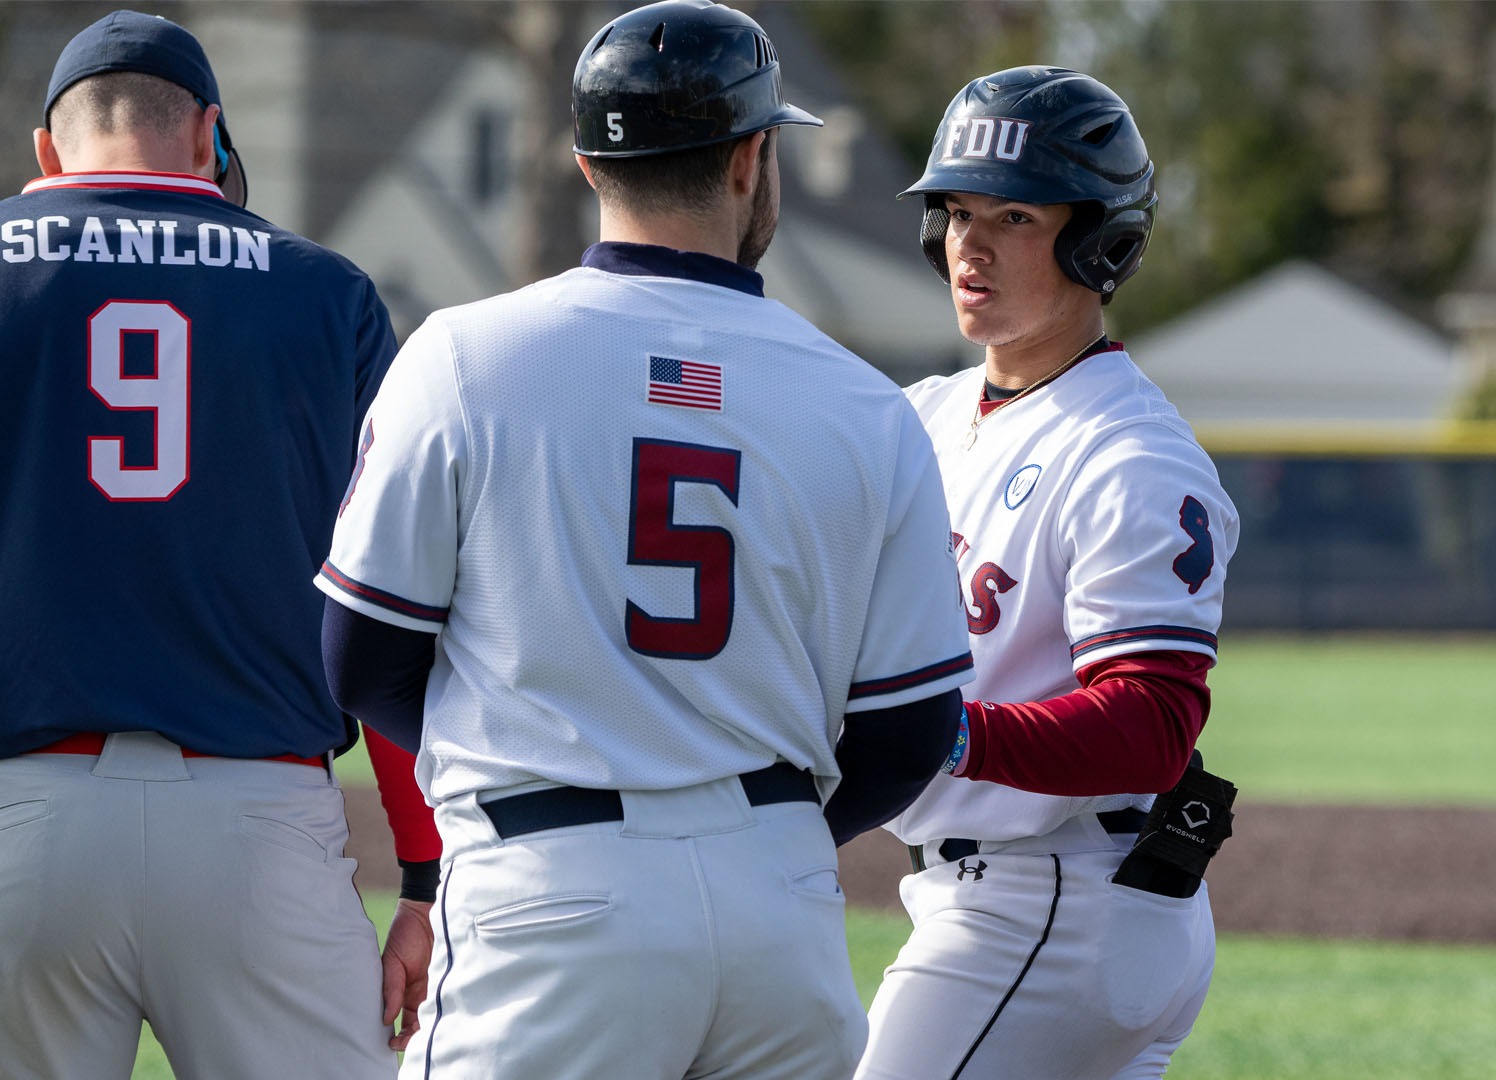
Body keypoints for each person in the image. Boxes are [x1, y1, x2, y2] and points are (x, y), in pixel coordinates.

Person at [315, 2, 974, 1076]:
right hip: (777, 896)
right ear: (754, 158)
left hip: (549, 882)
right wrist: (757, 827)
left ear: (584, 161)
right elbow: (911, 730)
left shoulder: (466, 357)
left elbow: (361, 655)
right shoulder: (864, 404)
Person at [0, 10, 440, 1079]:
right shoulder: (327, 292)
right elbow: (389, 598)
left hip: (19, 815)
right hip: (259, 819)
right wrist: (425, 875)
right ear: (208, 135)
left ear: (47, 151)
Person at [856, 67, 1242, 1080]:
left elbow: (1153, 725)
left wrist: (937, 735)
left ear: (1099, 242)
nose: (967, 246)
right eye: (955, 211)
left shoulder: (1128, 452)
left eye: (1014, 215)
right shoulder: (922, 416)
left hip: (1057, 899)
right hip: (1023, 899)